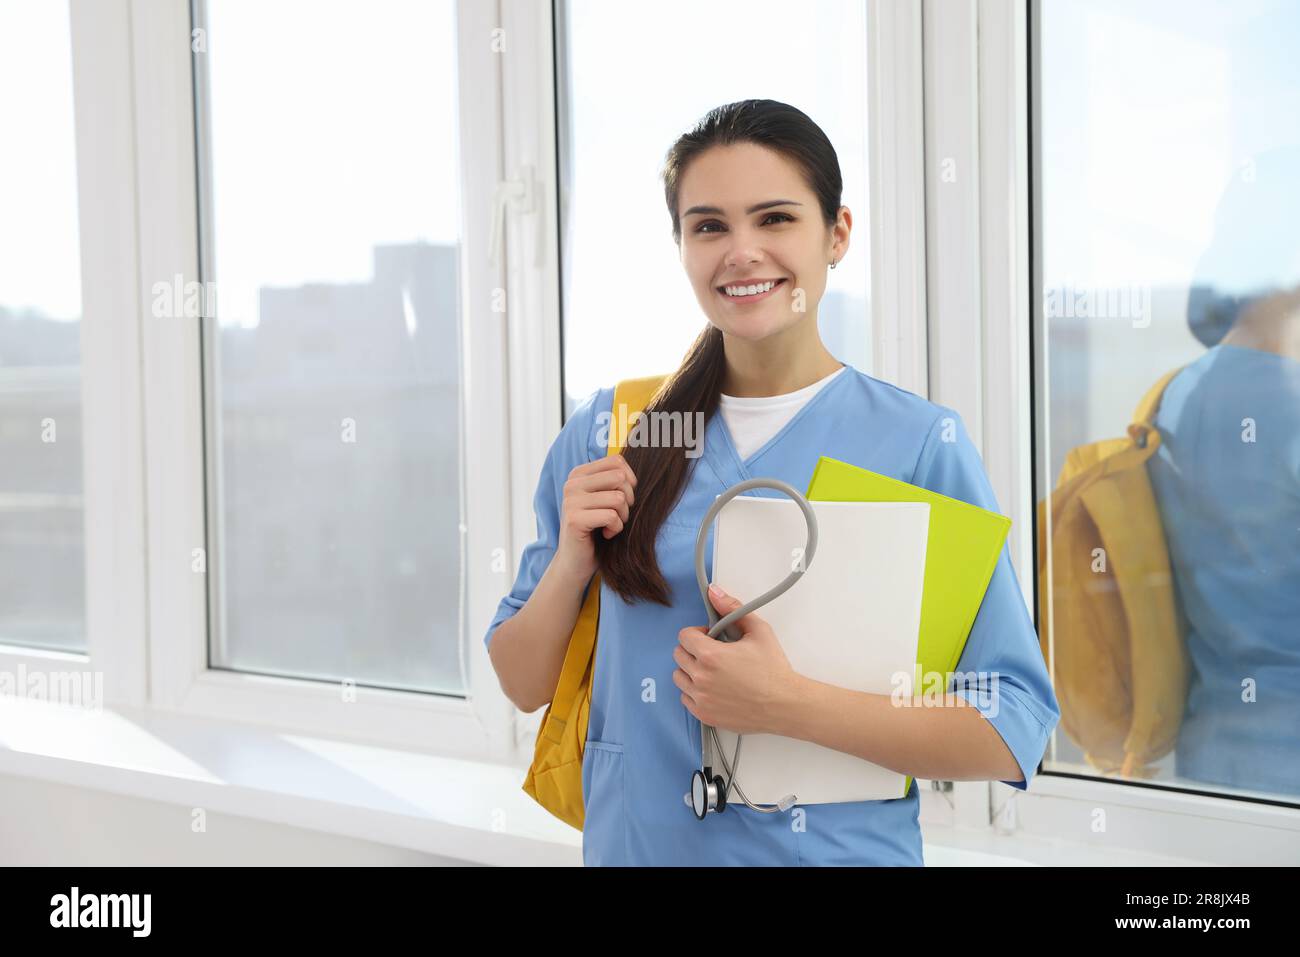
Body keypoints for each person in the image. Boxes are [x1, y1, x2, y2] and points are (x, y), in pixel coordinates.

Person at [484, 99, 1059, 865]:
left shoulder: (918, 445)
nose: (742, 251)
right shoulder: (615, 429)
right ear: (683, 246)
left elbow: (1011, 724)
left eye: (776, 218)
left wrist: (789, 705)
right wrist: (571, 565)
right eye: (710, 225)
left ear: (837, 234)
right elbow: (521, 681)